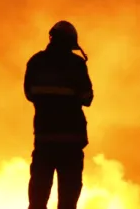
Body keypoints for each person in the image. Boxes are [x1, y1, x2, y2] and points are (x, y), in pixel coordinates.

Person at [24, 20, 94, 209]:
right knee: (68, 200)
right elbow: (87, 98)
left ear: (51, 38)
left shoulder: (36, 62)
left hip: (44, 138)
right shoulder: (77, 64)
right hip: (71, 141)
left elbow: (29, 94)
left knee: (38, 197)